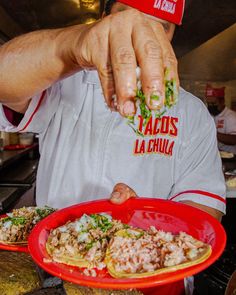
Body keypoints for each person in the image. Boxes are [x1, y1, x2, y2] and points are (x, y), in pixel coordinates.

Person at [0, 1, 226, 294]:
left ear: (172, 35)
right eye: (128, 18)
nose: (141, 32)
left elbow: (204, 213)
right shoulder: (66, 83)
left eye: (161, 25)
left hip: (150, 279)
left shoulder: (191, 112)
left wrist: (138, 221)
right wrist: (75, 43)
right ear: (105, 18)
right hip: (55, 273)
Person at [206, 84, 236, 154]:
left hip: (230, 158)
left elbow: (234, 140)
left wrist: (212, 132)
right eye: (209, 104)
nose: (211, 106)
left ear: (222, 101)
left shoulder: (231, 116)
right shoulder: (209, 115)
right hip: (215, 156)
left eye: (213, 104)